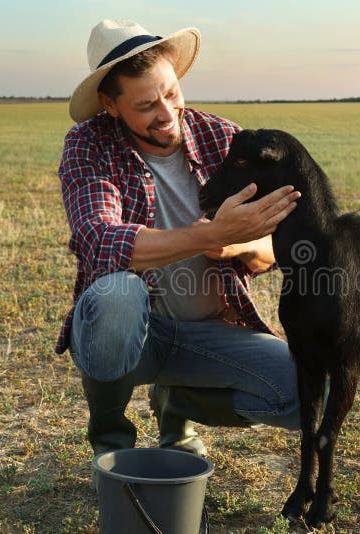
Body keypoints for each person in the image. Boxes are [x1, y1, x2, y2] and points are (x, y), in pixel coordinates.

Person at [55, 19, 302, 458]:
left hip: (207, 335)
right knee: (117, 295)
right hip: (135, 336)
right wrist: (208, 234)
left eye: (171, 93)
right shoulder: (88, 144)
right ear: (111, 105)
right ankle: (111, 439)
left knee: (309, 392)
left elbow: (274, 249)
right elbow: (99, 240)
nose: (167, 114)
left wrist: (240, 243)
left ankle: (178, 404)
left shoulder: (225, 138)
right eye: (146, 105)